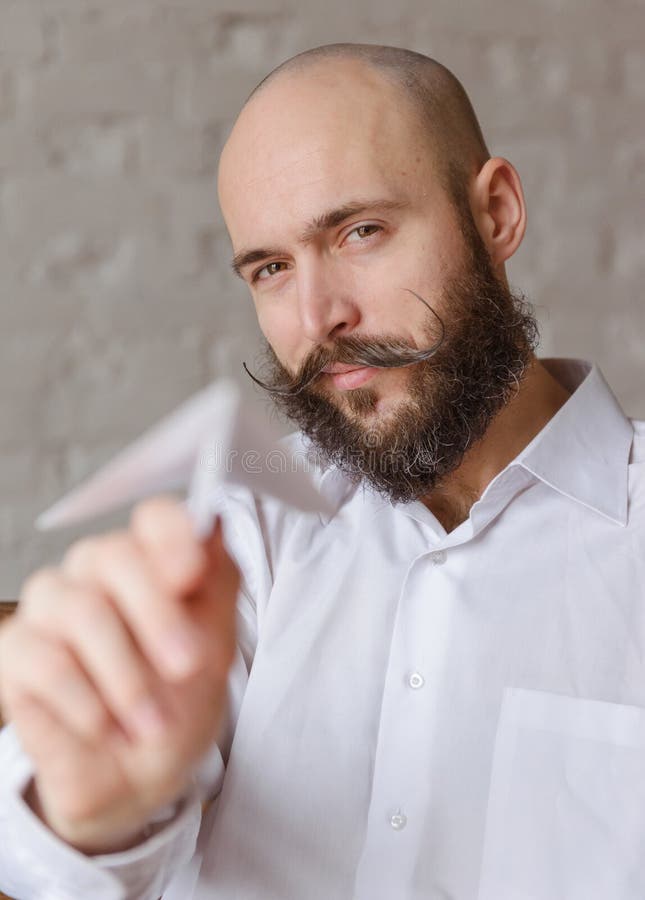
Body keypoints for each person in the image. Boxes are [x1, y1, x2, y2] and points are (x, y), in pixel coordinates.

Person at [0, 42, 644, 900]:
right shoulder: (247, 523)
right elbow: (47, 858)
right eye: (270, 268)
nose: (318, 318)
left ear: (495, 214)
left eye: (359, 232)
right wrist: (94, 814)